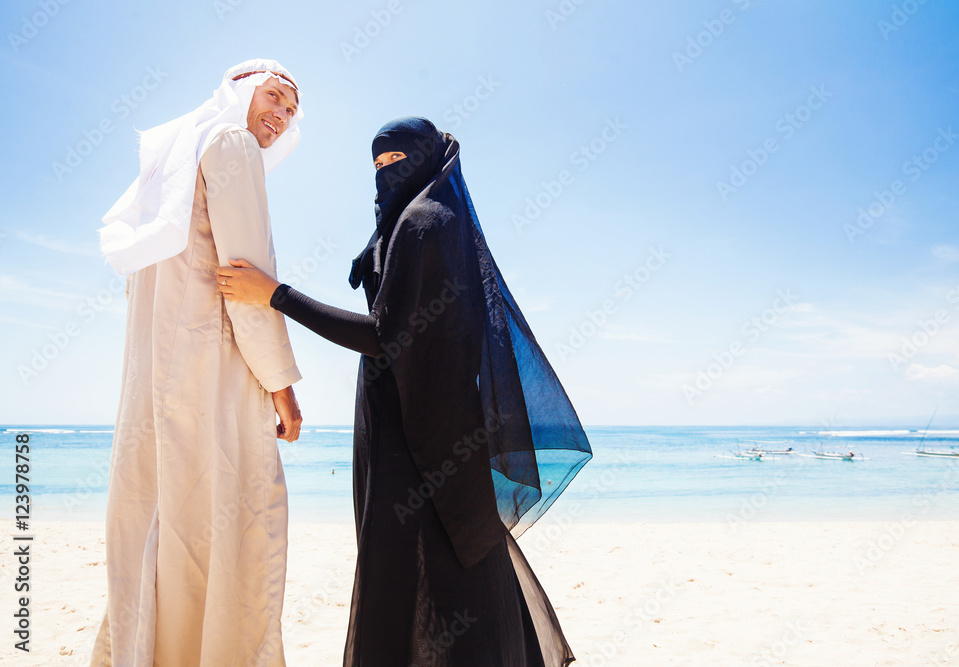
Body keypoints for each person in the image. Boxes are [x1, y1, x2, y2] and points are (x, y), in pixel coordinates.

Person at [218, 117, 592, 666]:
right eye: (377, 165)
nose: (386, 173)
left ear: (429, 159)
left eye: (398, 160)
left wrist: (275, 295)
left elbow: (383, 335)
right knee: (438, 554)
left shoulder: (426, 223)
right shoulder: (413, 223)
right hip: (406, 416)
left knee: (423, 556)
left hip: (420, 429)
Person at [91, 59, 305, 666]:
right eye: (274, 96)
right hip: (215, 384)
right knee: (229, 531)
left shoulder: (175, 166)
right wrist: (282, 388)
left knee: (156, 531)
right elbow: (248, 276)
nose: (282, 114)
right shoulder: (232, 143)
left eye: (291, 109)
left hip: (154, 389)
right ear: (238, 93)